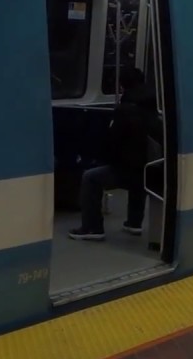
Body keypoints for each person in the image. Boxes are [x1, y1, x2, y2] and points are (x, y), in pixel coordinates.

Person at [68, 68, 158, 241]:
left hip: (131, 170)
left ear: (122, 86)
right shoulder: (154, 108)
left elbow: (113, 143)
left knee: (91, 177)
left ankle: (92, 227)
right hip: (152, 170)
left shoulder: (124, 110)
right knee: (140, 174)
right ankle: (134, 223)